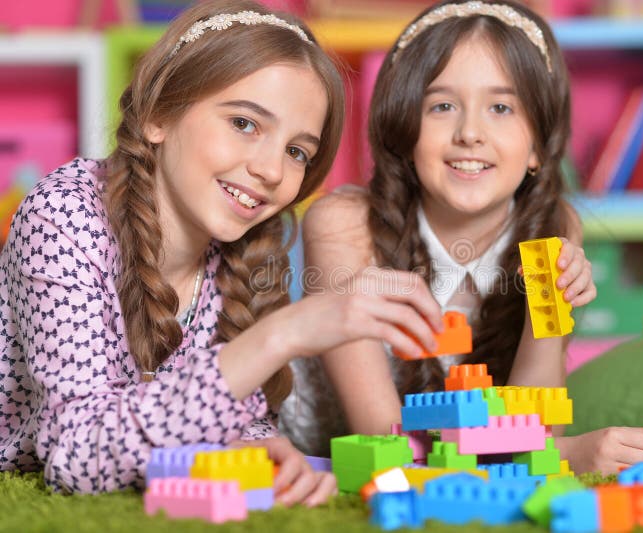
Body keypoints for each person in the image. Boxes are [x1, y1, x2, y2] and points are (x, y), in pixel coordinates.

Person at [0, 0, 444, 501]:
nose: (271, 171)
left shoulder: (242, 252)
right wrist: (284, 333)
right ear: (159, 115)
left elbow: (223, 415)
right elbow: (75, 458)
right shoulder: (64, 214)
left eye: (296, 151)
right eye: (244, 124)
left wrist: (260, 448)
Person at [281, 0, 643, 476]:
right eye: (442, 106)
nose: (470, 132)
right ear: (406, 131)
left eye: (501, 108)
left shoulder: (554, 224)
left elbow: (537, 424)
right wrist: (564, 456)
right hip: (314, 444)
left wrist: (548, 312)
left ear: (538, 146)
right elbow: (385, 446)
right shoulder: (342, 222)